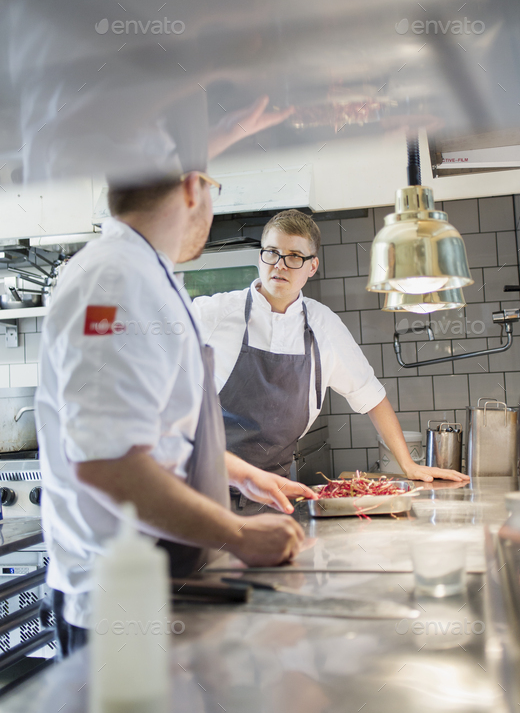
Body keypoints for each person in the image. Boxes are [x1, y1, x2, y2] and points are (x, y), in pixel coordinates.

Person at [36, 172, 315, 657]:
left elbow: (153, 432)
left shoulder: (148, 277)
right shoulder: (114, 280)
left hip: (166, 583)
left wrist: (241, 474)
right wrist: (239, 533)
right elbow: (110, 464)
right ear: (193, 189)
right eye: (215, 189)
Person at [192, 209, 467, 484]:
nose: (280, 265)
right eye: (272, 252)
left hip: (276, 492)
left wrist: (408, 465)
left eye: (294, 257)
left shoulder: (324, 325)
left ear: (312, 266)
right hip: (206, 487)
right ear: (260, 256)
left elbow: (372, 395)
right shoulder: (213, 313)